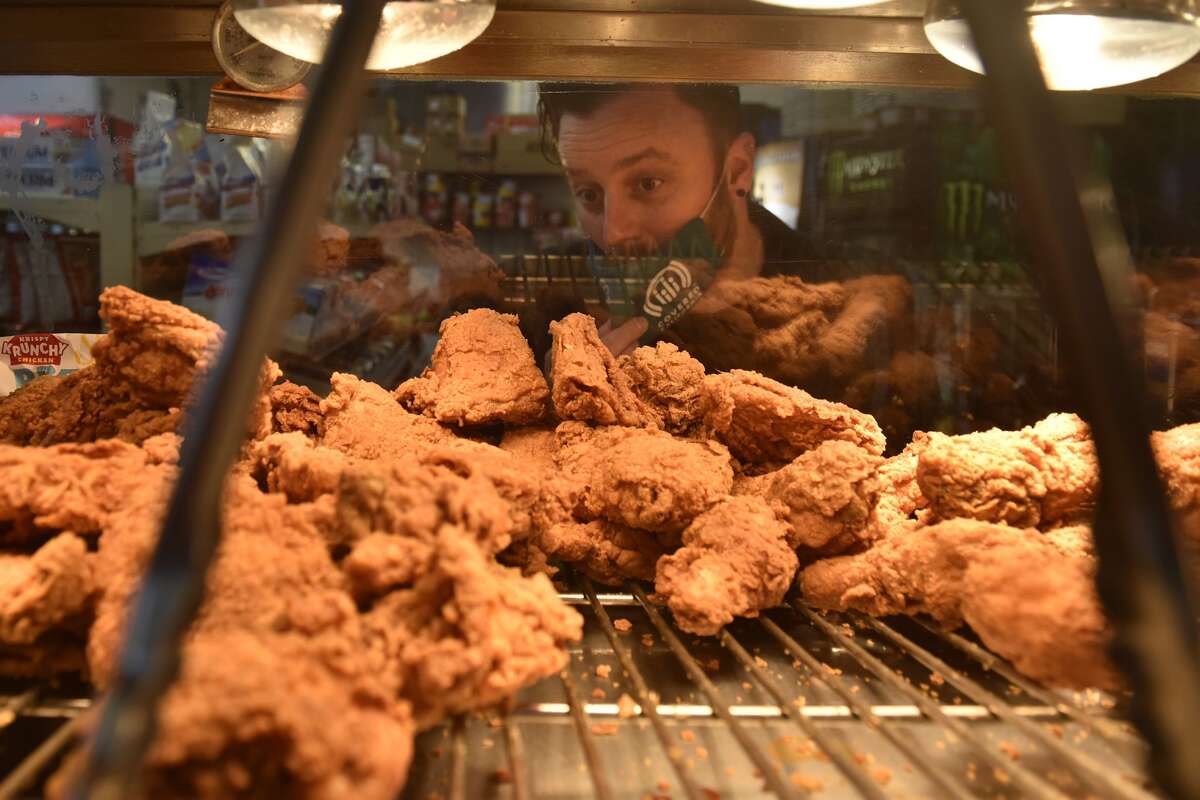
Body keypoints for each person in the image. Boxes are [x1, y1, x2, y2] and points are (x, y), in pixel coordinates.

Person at [537, 82, 821, 356]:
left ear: (737, 170)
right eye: (588, 194)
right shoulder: (549, 299)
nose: (614, 234)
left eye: (648, 183)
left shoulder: (836, 292)